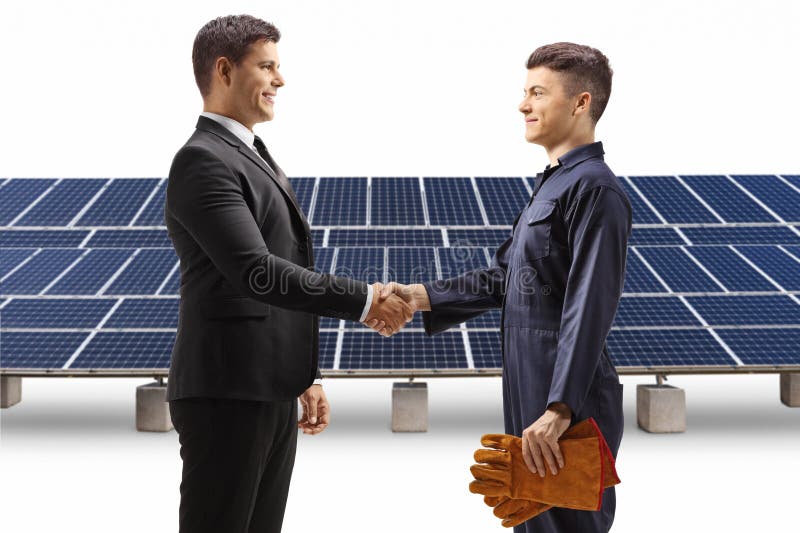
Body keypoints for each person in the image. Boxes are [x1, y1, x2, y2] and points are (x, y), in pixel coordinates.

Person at [164, 15, 411, 533]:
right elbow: (257, 273)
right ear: (226, 70)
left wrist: (303, 376)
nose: (280, 80)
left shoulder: (250, 154)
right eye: (268, 66)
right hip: (226, 391)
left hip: (265, 388)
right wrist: (365, 300)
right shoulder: (202, 160)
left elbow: (284, 271)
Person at [375, 42, 631, 532]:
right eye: (525, 91)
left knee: (569, 525)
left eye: (538, 92)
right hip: (531, 387)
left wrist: (561, 408)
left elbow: (588, 306)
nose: (523, 104)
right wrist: (420, 296)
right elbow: (507, 277)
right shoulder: (552, 185)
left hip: (567, 398)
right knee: (532, 521)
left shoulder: (596, 189)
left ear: (581, 103)